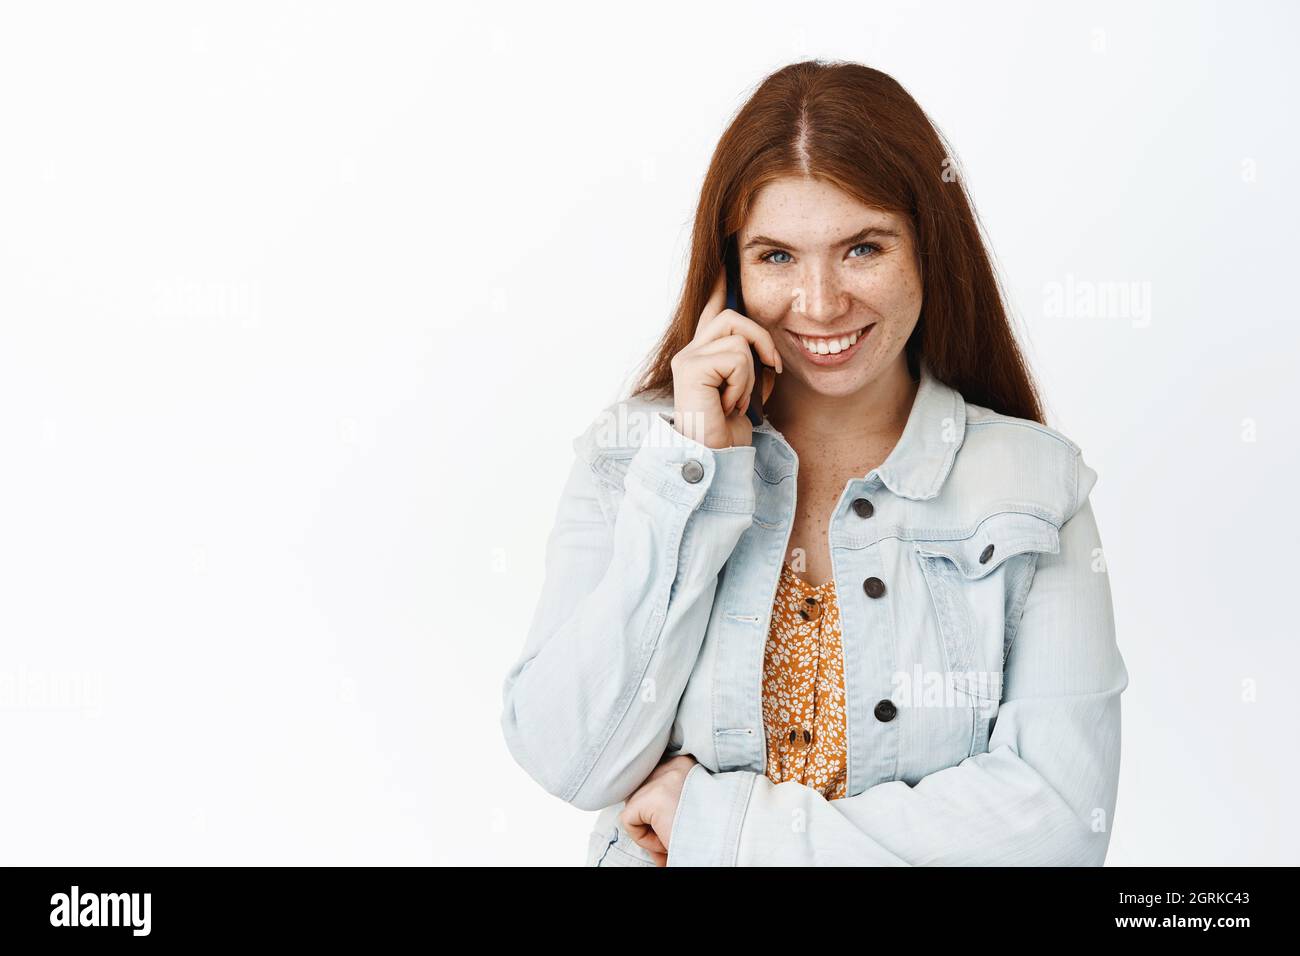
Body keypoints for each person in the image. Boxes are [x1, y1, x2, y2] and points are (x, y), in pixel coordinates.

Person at [499, 59, 1128, 866]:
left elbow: (1060, 825)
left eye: (863, 248)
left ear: (929, 250)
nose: (822, 303)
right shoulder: (635, 461)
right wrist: (695, 475)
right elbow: (570, 757)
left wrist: (722, 831)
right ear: (727, 273)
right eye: (777, 257)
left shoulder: (1036, 491)